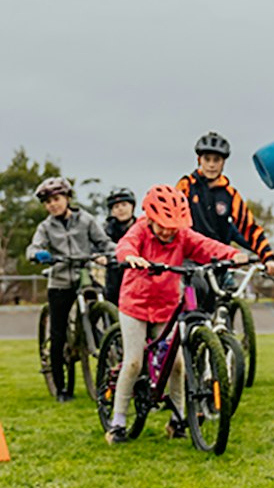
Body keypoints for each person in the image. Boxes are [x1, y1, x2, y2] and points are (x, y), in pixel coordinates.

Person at [105, 184, 249, 445]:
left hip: (166, 305)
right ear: (149, 217)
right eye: (162, 225)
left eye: (173, 226)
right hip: (135, 304)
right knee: (134, 362)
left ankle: (179, 419)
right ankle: (117, 422)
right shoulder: (139, 229)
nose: (168, 231)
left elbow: (206, 246)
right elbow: (126, 244)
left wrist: (233, 254)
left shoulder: (182, 235)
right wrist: (130, 257)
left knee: (178, 363)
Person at [26, 177, 114, 401]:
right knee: (57, 335)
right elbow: (33, 247)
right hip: (60, 281)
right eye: (48, 202)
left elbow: (104, 243)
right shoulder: (45, 226)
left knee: (99, 310)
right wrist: (38, 254)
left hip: (85, 276)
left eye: (56, 199)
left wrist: (113, 253)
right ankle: (62, 389)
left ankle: (101, 350)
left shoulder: (85, 220)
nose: (53, 205)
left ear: (67, 198)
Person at [176, 132, 274, 276]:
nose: (211, 165)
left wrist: (268, 258)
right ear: (199, 160)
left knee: (229, 294)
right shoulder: (186, 186)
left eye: (216, 160)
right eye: (207, 159)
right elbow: (171, 219)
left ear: (223, 162)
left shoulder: (230, 195)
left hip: (220, 262)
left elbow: (249, 229)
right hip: (190, 261)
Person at [102, 188, 137, 306]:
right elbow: (99, 245)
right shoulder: (107, 229)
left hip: (137, 277)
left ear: (132, 207)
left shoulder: (142, 227)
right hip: (114, 278)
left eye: (124, 204)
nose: (120, 209)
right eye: (116, 207)